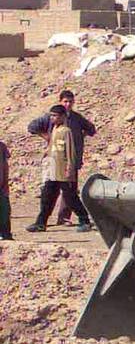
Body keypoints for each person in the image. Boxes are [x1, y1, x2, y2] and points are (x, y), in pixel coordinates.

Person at [27, 89, 95, 225]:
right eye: (65, 101)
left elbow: (87, 134)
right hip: (53, 164)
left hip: (66, 166)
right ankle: (41, 223)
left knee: (70, 196)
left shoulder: (70, 125)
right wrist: (47, 138)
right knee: (48, 195)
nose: (68, 104)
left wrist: (71, 164)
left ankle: (79, 219)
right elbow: (32, 127)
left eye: (70, 102)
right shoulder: (53, 123)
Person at [0, 138, 12, 241]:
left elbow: (5, 165)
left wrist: (6, 182)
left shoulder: (2, 146)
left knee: (5, 210)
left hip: (2, 187)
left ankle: (6, 234)